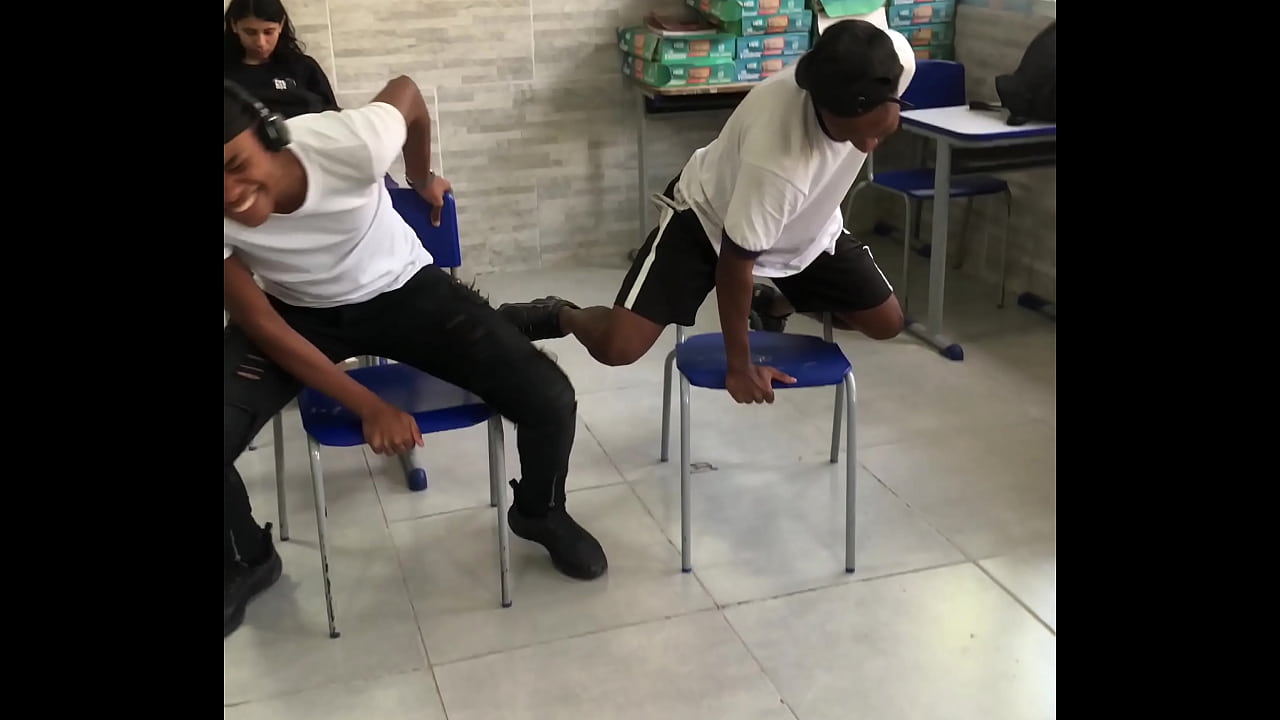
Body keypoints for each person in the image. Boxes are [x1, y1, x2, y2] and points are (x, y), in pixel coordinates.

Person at [223, 77, 608, 638]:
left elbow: (407, 93)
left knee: (549, 396)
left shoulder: (350, 144)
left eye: (235, 163)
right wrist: (366, 404)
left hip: (403, 289)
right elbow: (260, 323)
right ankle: (247, 559)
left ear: (272, 136)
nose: (229, 192)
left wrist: (420, 177)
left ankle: (540, 511)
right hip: (294, 313)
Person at [499, 20, 917, 405]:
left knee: (886, 322)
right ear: (822, 107)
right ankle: (561, 313)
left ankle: (772, 305)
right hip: (705, 219)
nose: (868, 146)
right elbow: (734, 266)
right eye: (856, 135)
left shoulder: (891, 59)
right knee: (618, 347)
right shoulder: (779, 160)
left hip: (806, 226)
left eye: (883, 130)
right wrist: (740, 366)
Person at [224, 0, 339, 120]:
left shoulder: (304, 67)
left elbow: (333, 119)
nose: (260, 43)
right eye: (250, 32)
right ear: (234, 25)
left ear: (281, 25)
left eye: (269, 32)